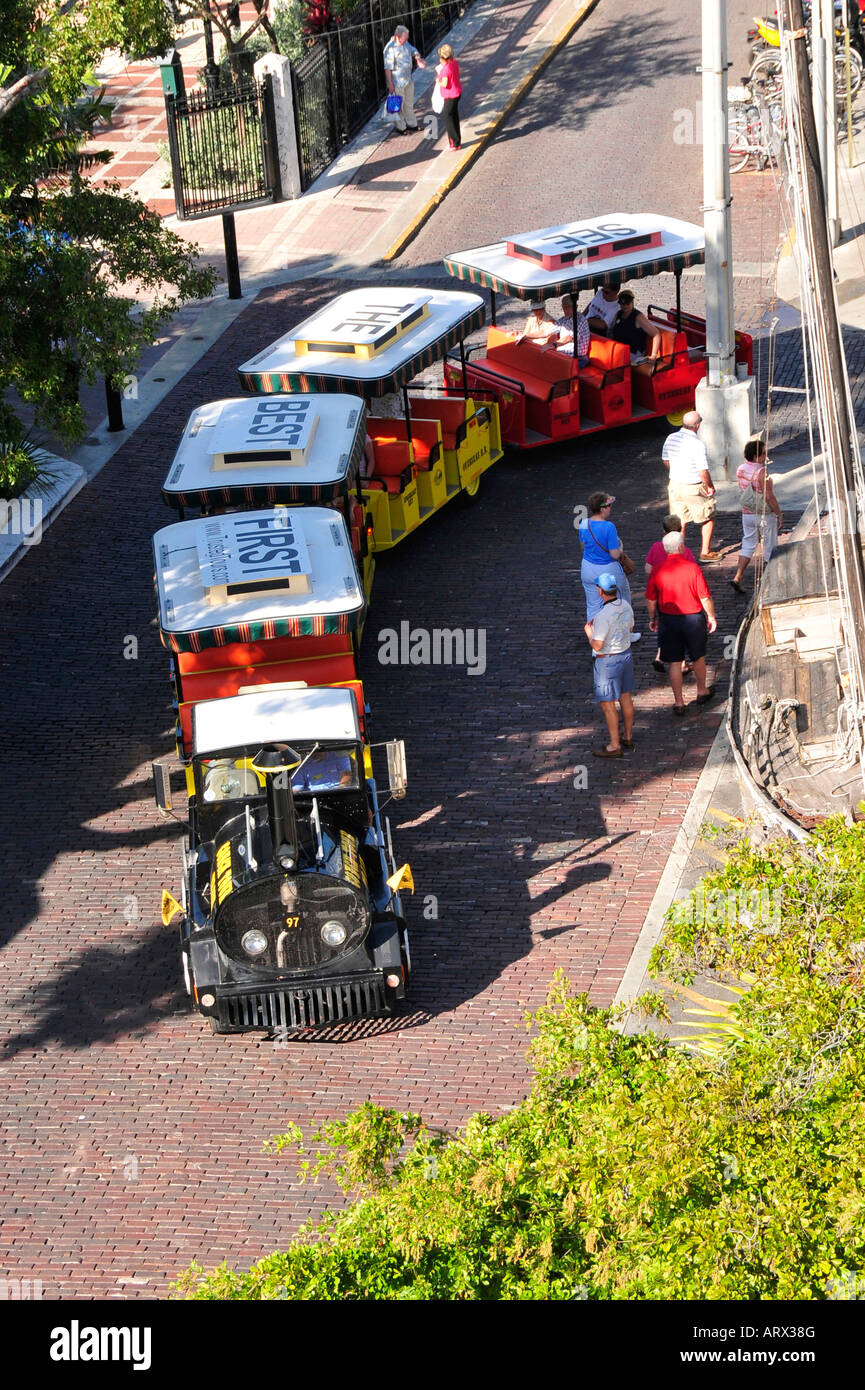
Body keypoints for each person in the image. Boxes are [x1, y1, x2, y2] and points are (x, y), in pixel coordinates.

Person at [646, 532, 718, 714]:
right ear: (680, 547)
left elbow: (651, 599)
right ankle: (702, 690)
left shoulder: (658, 569)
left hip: (669, 620)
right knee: (698, 657)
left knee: (674, 662)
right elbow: (705, 596)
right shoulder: (692, 568)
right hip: (692, 618)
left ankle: (679, 702)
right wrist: (711, 616)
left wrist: (653, 618)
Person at [584, 572, 636, 758]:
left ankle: (614, 745)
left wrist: (589, 633)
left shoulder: (603, 615)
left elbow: (597, 645)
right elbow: (630, 629)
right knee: (625, 697)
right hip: (625, 655)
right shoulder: (626, 606)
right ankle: (628, 735)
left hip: (608, 661)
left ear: (600, 591)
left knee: (608, 704)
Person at [578, 491, 640, 640]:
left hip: (587, 567)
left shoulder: (583, 523)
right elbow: (614, 554)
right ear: (603, 508)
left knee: (593, 604)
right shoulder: (609, 527)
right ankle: (626, 633)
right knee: (622, 598)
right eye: (609, 505)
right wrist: (620, 550)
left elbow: (583, 547)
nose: (610, 508)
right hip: (608, 568)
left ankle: (596, 639)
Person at [661, 410, 719, 560]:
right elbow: (702, 471)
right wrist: (710, 486)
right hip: (693, 486)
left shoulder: (671, 437)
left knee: (679, 522)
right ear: (697, 425)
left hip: (675, 484)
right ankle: (705, 552)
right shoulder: (697, 444)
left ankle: (677, 555)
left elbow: (665, 460)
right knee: (708, 516)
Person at [730, 438, 782, 594]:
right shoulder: (762, 473)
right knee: (770, 545)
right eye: (764, 453)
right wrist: (779, 513)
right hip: (764, 514)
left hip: (747, 513)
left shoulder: (740, 469)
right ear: (756, 456)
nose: (766, 455)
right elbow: (769, 497)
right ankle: (769, 581)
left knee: (748, 544)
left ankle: (738, 577)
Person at [645, 514, 694, 673]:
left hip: (661, 594)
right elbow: (692, 570)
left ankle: (660, 656)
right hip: (680, 595)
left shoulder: (655, 547)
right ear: (680, 530)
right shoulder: (684, 550)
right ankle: (682, 663)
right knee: (682, 628)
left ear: (663, 530)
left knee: (664, 626)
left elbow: (648, 569)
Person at [384, 25, 425, 134]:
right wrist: (390, 84)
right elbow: (387, 68)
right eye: (405, 37)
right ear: (398, 36)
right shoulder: (390, 49)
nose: (407, 39)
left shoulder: (405, 43)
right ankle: (401, 127)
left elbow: (413, 50)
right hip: (397, 82)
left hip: (408, 79)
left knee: (408, 103)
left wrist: (418, 58)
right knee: (398, 105)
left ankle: (412, 124)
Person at [609, 290, 661, 365]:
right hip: (619, 349)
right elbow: (612, 331)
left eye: (627, 303)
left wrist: (653, 356)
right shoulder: (619, 314)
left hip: (633, 352)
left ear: (632, 303)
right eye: (622, 304)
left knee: (615, 362)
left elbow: (656, 334)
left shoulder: (638, 317)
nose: (625, 306)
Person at [435, 43, 462, 150]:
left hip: (450, 96)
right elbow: (458, 74)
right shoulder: (454, 63)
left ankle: (454, 142)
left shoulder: (446, 69)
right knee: (455, 116)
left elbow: (445, 84)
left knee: (448, 118)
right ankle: (457, 141)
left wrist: (438, 81)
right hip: (457, 92)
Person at [556, 294, 590, 366]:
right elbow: (552, 328)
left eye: (568, 307)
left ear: (576, 307)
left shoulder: (580, 320)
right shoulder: (565, 319)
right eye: (564, 307)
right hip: (564, 355)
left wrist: (553, 344)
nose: (566, 310)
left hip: (579, 358)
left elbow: (569, 337)